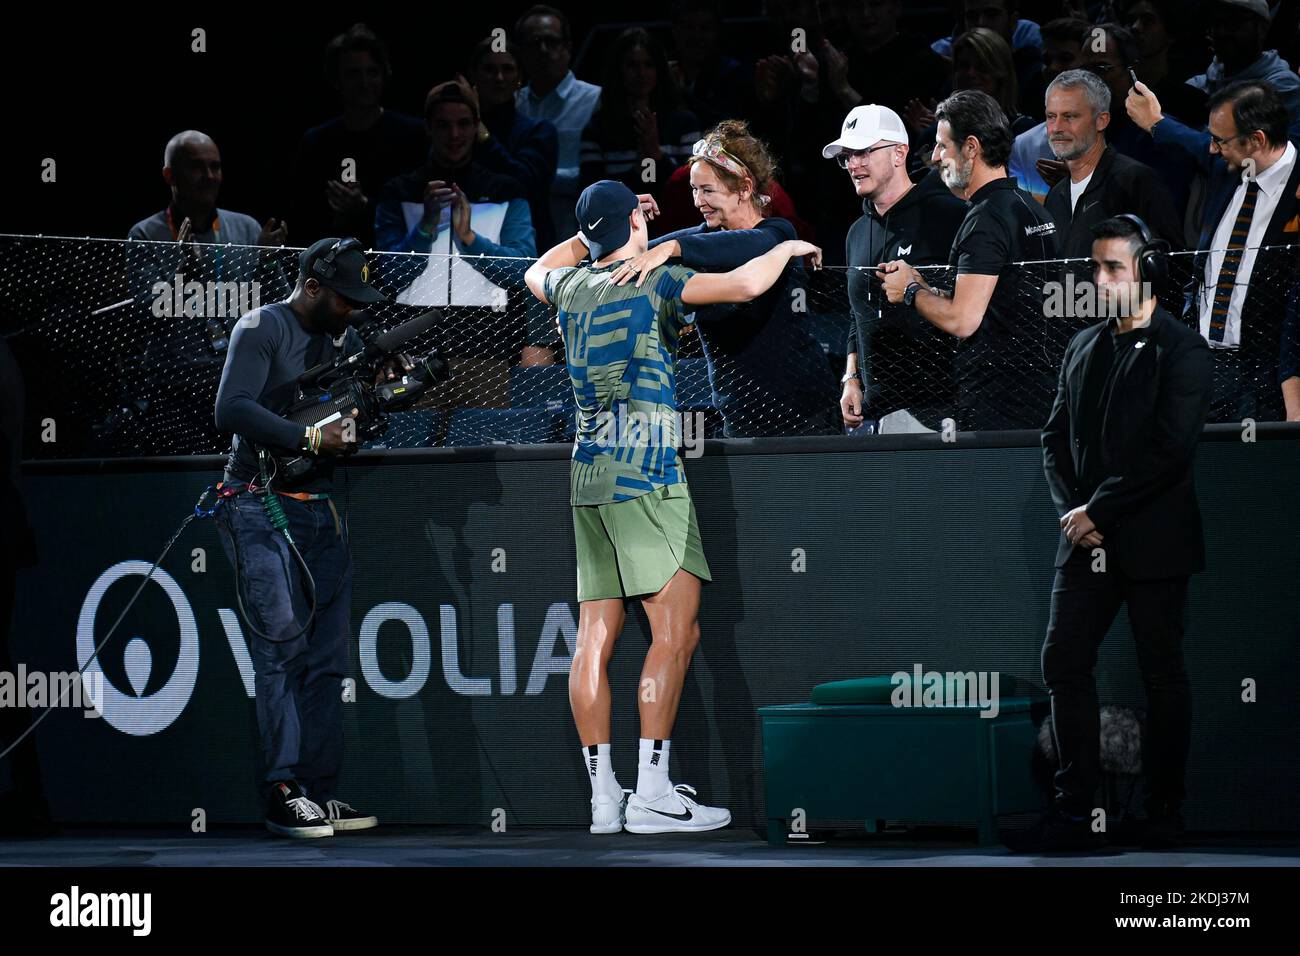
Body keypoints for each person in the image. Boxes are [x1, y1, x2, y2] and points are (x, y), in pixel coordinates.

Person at [523, 180, 820, 834]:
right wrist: (790, 245)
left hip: (589, 472)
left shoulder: (571, 288)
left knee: (595, 636)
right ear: (633, 221)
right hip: (647, 473)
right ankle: (652, 791)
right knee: (676, 632)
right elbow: (745, 285)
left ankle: (606, 800)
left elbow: (534, 270)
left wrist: (594, 232)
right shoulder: (656, 282)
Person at [1011, 215, 1212, 853]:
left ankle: (1162, 814)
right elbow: (1053, 438)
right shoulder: (1083, 347)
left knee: (1162, 673)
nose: (1099, 280)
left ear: (1147, 269)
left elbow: (1169, 450)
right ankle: (1075, 813)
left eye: (1113, 268)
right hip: (1085, 541)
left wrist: (1099, 509)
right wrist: (1075, 511)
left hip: (1154, 541)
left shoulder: (1183, 350)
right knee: (1062, 662)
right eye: (1094, 267)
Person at [213, 237, 400, 839]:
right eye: (344, 298)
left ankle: (319, 792)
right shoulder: (259, 327)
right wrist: (312, 441)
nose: (354, 309)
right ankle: (283, 788)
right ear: (313, 287)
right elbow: (232, 408)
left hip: (321, 508)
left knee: (325, 662)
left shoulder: (341, 337)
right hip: (257, 506)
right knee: (284, 650)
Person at [609, 120, 840, 438]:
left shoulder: (779, 235)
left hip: (803, 414)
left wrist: (672, 247)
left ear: (744, 188)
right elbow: (625, 261)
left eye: (707, 190)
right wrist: (624, 222)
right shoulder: (700, 242)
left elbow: (744, 246)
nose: (697, 201)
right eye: (693, 189)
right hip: (740, 415)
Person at [879, 90, 1060, 431]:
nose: (934, 157)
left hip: (999, 404)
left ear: (971, 147)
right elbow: (1003, 300)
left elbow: (964, 320)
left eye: (942, 145)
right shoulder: (1031, 208)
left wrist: (910, 290)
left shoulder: (986, 219)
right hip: (1041, 393)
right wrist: (926, 286)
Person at [1128, 79, 1300, 421]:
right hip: (1207, 367)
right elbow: (1193, 144)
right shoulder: (1227, 167)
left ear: (1257, 140)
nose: (1211, 149)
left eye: (1220, 140)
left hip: (1267, 379)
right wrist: (1155, 122)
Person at [127, 130, 292, 455]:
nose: (209, 176)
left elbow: (279, 307)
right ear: (169, 175)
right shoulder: (146, 234)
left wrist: (269, 263)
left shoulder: (246, 228)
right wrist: (182, 272)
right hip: (176, 387)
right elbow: (147, 315)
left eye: (215, 167)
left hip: (240, 383)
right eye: (196, 167)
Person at [823, 104, 967, 432]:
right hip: (876, 415)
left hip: (942, 407)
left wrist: (920, 291)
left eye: (863, 152)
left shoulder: (947, 215)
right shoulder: (857, 232)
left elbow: (974, 300)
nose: (853, 165)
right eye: (847, 156)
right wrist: (851, 378)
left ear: (899, 153)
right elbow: (855, 315)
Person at [293, 24, 428, 247]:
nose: (364, 83)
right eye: (353, 74)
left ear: (384, 75)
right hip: (330, 262)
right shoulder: (316, 142)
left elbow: (416, 210)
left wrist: (365, 207)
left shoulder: (412, 135)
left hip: (393, 260)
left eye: (372, 72)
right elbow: (301, 212)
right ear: (337, 80)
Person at [1043, 70, 1182, 261]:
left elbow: (1171, 265)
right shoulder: (1056, 196)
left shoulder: (1136, 181)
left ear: (1101, 120)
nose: (1057, 128)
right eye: (1051, 116)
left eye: (1070, 116)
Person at [578, 28, 700, 201]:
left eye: (648, 65)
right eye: (632, 65)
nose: (641, 74)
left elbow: (690, 191)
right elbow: (593, 197)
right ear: (618, 70)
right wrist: (641, 165)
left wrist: (655, 154)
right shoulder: (597, 130)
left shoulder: (684, 124)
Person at [514, 4, 602, 238]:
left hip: (576, 228)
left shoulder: (595, 99)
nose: (543, 50)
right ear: (521, 52)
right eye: (534, 43)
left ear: (567, 47)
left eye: (551, 42)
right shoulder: (513, 103)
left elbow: (597, 174)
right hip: (520, 227)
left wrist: (537, 180)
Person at [466, 37, 559, 251]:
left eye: (507, 69)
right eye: (489, 69)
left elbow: (525, 183)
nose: (499, 78)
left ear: (519, 78)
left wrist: (482, 133)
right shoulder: (459, 133)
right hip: (468, 239)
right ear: (474, 75)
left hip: (527, 246)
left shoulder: (540, 132)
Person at [1009, 17, 1091, 202]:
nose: (1053, 67)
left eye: (1065, 59)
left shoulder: (1114, 136)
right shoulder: (1023, 146)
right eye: (1047, 60)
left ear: (1090, 65)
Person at [1189, 0, 1300, 124]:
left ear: (1262, 29)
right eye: (1218, 23)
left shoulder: (1283, 86)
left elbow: (1237, 139)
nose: (1223, 32)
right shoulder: (1198, 85)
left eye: (1234, 23)